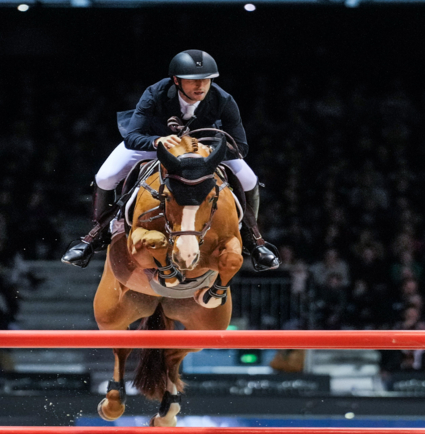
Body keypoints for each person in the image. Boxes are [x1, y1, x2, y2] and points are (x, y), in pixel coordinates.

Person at [61, 49, 280, 272]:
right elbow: (132, 136)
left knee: (249, 179)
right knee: (105, 177)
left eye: (206, 80)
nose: (201, 86)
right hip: (156, 145)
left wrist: (207, 151)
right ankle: (96, 235)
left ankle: (253, 240)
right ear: (176, 80)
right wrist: (157, 141)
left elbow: (240, 146)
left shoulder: (223, 99)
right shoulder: (155, 93)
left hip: (202, 151)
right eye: (193, 81)